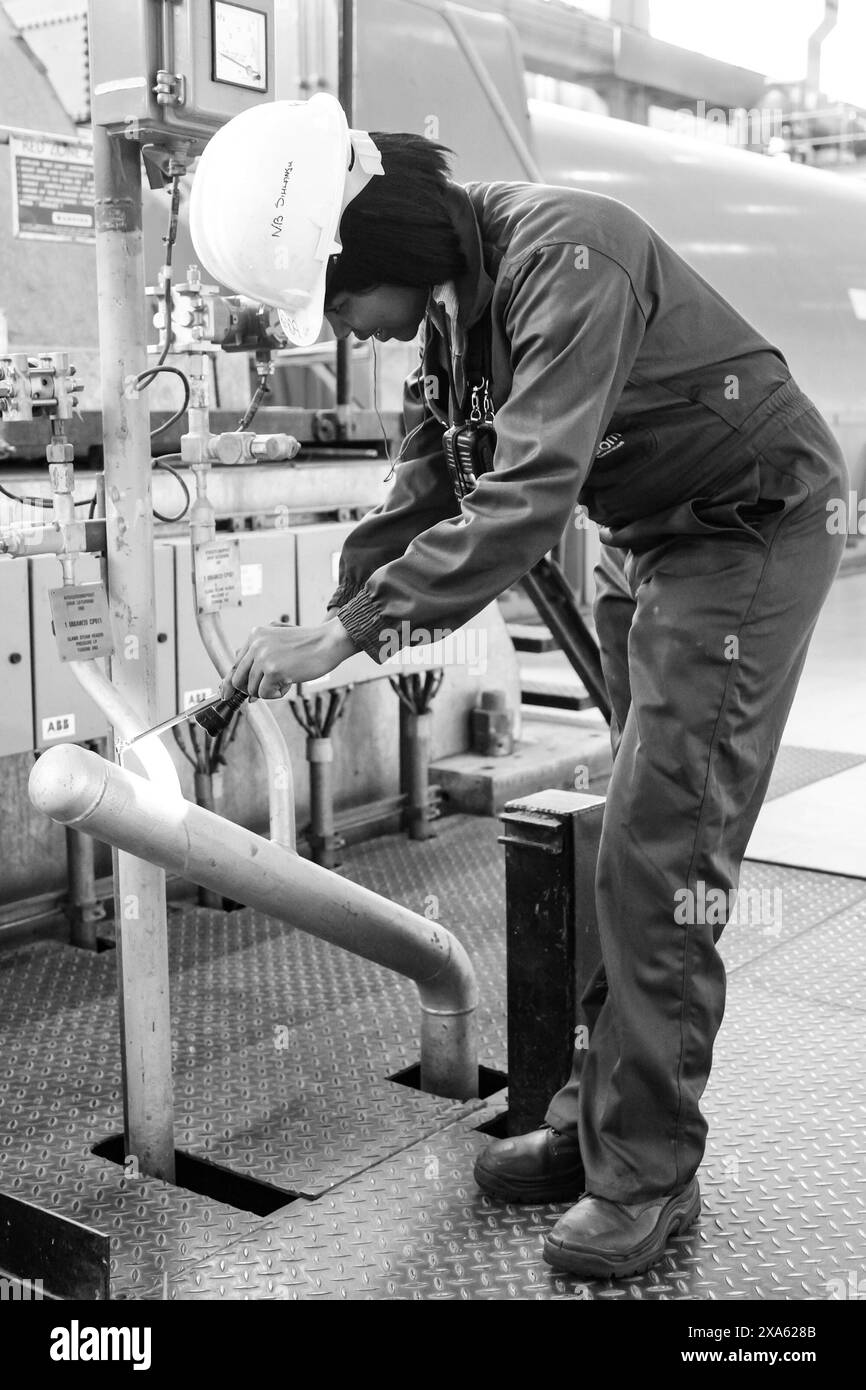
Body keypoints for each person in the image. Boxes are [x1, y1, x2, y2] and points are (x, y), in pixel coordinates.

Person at [190, 95, 847, 1279]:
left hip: (743, 532)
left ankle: (647, 1172)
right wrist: (327, 609)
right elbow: (429, 479)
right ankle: (602, 1115)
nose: (351, 328)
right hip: (646, 537)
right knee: (631, 840)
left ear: (373, 253)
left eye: (339, 304)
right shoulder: (455, 302)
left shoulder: (564, 256)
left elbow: (525, 491)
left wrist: (345, 633)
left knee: (664, 851)